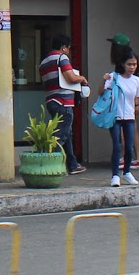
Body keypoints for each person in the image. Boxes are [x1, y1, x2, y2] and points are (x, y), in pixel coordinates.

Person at [39, 34, 87, 174]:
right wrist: (82, 79)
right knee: (61, 136)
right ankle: (50, 165)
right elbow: (70, 78)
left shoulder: (44, 62)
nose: (69, 52)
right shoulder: (62, 58)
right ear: (63, 48)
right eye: (68, 49)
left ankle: (73, 164)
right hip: (63, 102)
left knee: (67, 133)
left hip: (51, 101)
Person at [104, 50, 139, 187]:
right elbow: (102, 92)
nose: (132, 67)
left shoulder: (137, 81)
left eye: (134, 64)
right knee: (117, 146)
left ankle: (127, 172)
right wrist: (104, 80)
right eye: (129, 64)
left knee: (129, 147)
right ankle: (114, 175)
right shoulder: (114, 77)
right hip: (114, 116)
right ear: (123, 64)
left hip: (129, 117)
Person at [108, 33, 139, 168]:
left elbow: (133, 81)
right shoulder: (127, 58)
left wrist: (136, 103)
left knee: (130, 130)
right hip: (129, 101)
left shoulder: (126, 60)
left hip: (131, 100)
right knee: (130, 129)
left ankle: (133, 159)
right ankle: (135, 158)